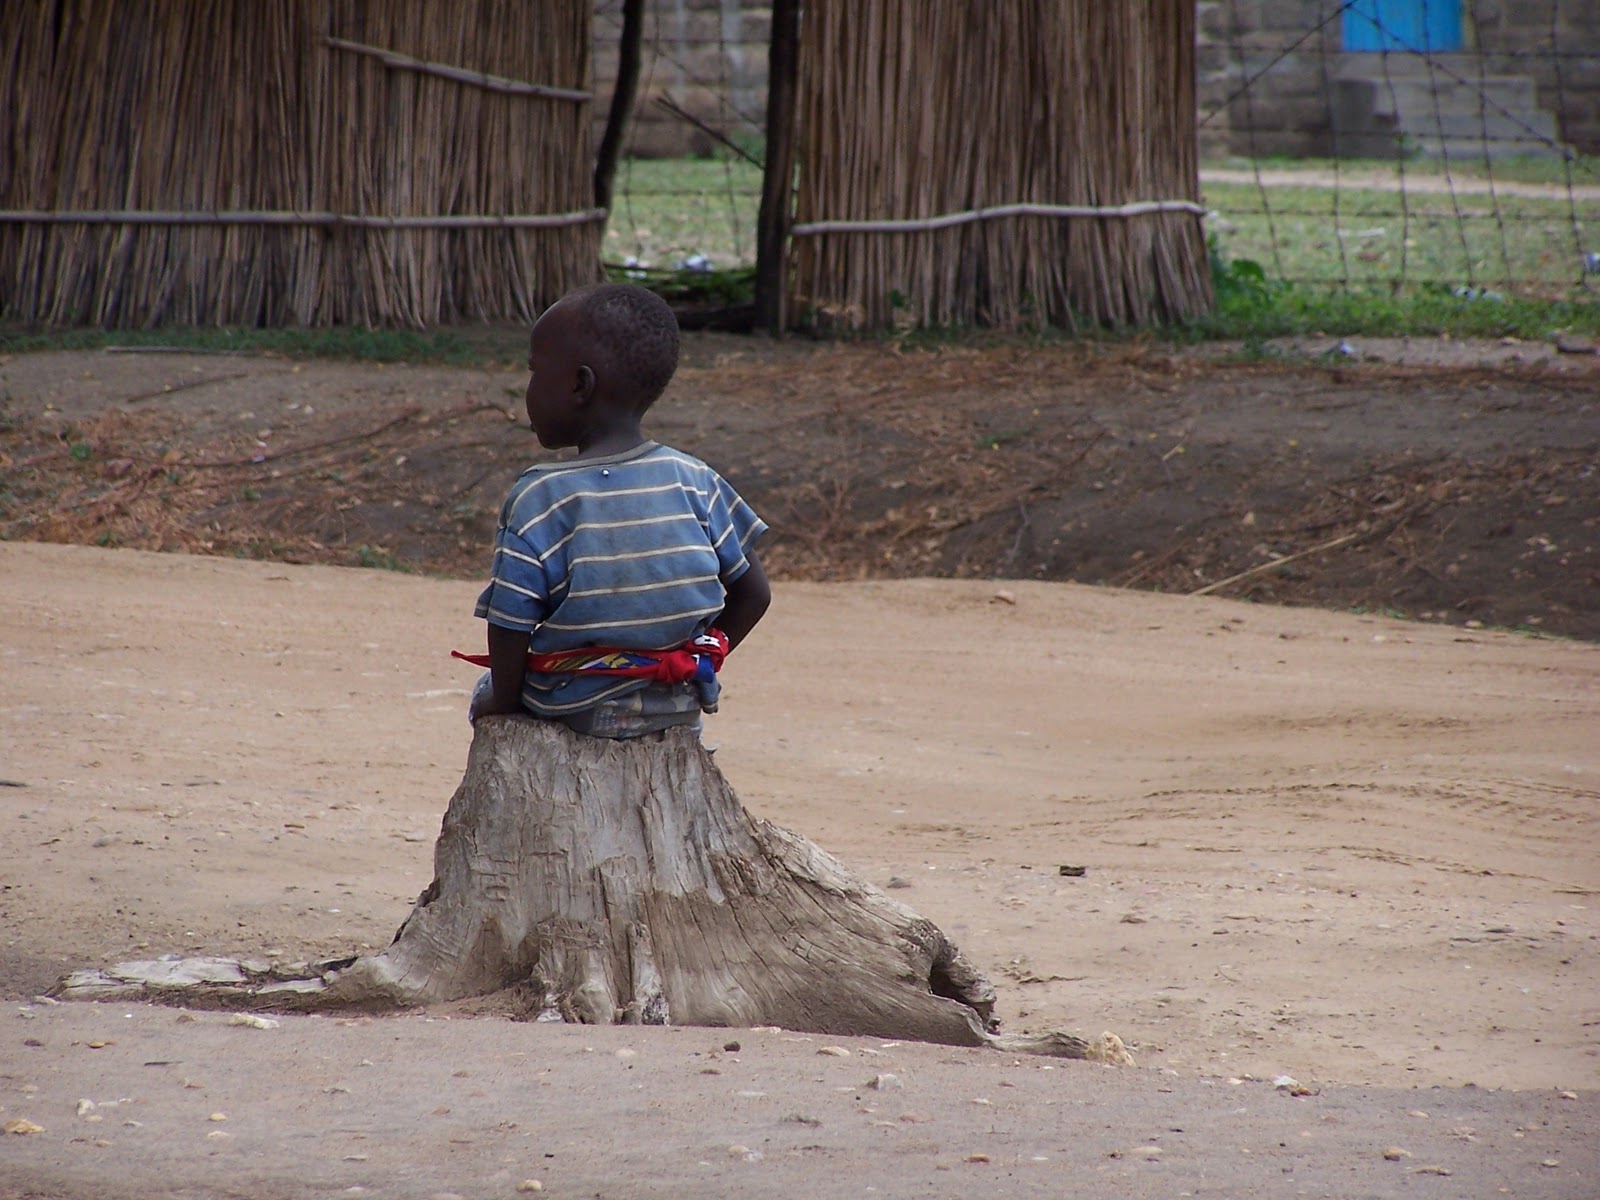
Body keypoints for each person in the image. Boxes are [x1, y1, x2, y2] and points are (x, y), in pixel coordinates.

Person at [462, 283, 770, 739]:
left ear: (579, 385)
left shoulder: (542, 497)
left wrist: (503, 703)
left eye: (534, 370)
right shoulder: (694, 479)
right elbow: (754, 595)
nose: (527, 387)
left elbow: (510, 622)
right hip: (678, 710)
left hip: (574, 708)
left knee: (483, 690)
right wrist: (705, 654)